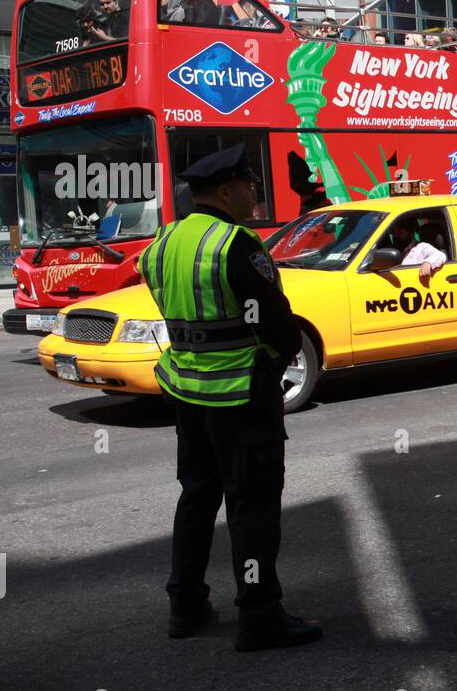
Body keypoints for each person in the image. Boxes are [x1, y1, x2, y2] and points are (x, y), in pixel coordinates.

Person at [136, 144, 322, 652]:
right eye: (248, 184)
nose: (255, 192)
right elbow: (275, 321)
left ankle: (186, 605)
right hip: (240, 395)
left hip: (187, 391)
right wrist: (275, 359)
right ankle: (259, 615)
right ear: (225, 191)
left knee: (197, 496)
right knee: (252, 506)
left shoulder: (165, 239)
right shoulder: (235, 244)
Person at [388, 217, 447, 281]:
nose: (396, 235)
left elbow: (441, 255)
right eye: (394, 232)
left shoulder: (422, 247)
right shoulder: (403, 249)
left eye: (399, 231)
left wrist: (428, 263)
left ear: (410, 231)